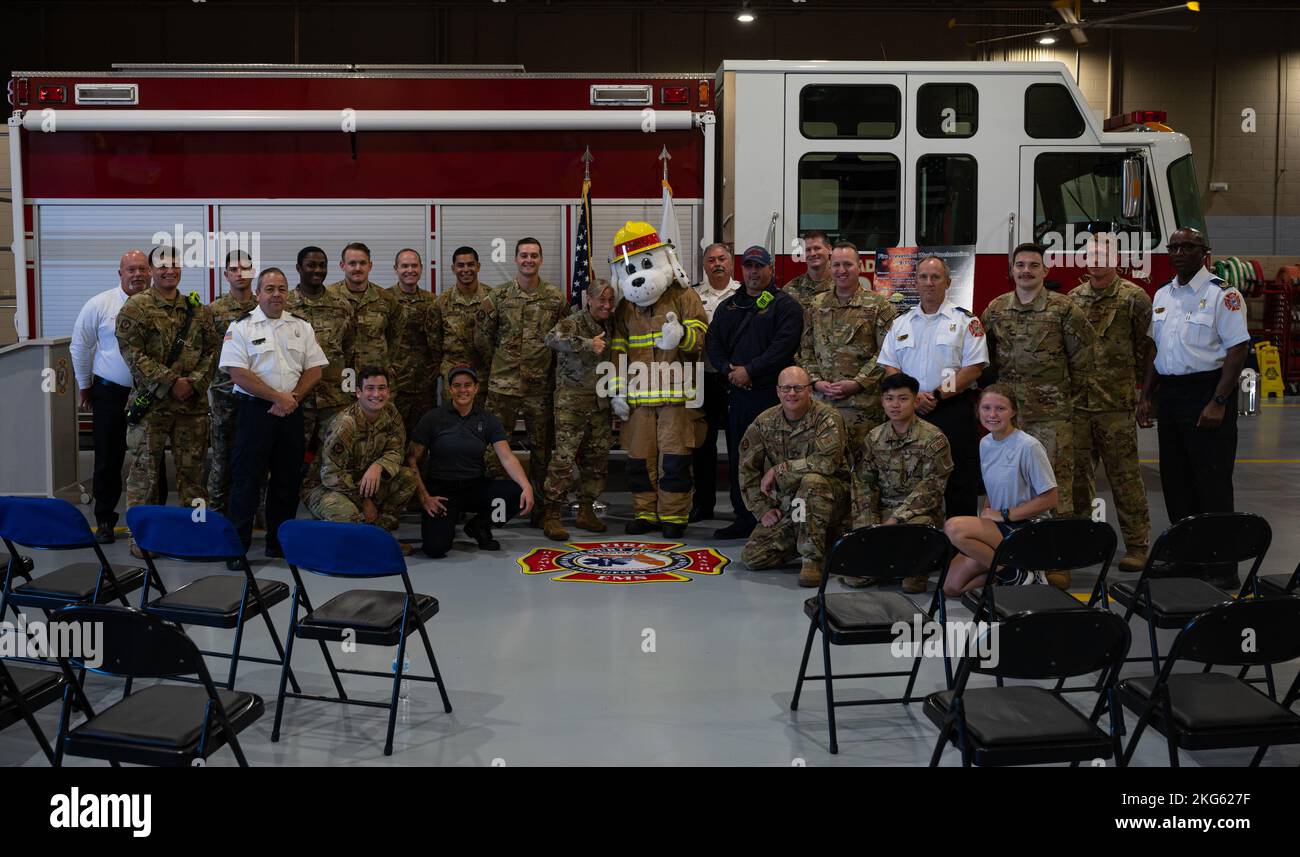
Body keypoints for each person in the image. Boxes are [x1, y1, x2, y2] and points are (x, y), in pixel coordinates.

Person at [1137, 227, 1250, 588]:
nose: (1180, 252)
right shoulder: (1162, 294)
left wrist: (1218, 401)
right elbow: (1156, 349)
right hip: (1171, 394)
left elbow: (1237, 350)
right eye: (1175, 247)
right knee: (1176, 480)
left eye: (1189, 246)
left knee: (1211, 483)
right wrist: (1147, 394)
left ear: (1205, 253)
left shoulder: (1223, 295)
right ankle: (1187, 557)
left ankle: (1221, 566)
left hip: (1207, 392)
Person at [980, 242, 1096, 589]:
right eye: (1020, 265)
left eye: (1033, 265)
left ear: (1045, 271)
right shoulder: (996, 309)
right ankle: (1016, 555)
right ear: (1011, 271)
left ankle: (1057, 562)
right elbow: (985, 357)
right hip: (1007, 418)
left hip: (1052, 416)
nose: (1026, 271)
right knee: (1009, 487)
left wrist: (1058, 397)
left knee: (1056, 489)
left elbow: (1084, 360)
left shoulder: (1065, 310)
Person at [607, 222, 709, 537]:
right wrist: (615, 392)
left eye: (645, 262)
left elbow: (702, 337)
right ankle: (645, 513)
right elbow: (618, 351)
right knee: (638, 460)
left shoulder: (683, 295)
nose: (638, 274)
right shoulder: (625, 307)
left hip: (676, 401)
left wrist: (681, 336)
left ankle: (674, 517)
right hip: (638, 402)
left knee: (675, 461)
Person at [116, 245, 219, 558]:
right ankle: (142, 536)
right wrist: (171, 381)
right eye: (161, 266)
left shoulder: (197, 309)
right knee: (144, 475)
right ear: (151, 270)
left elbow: (212, 352)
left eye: (174, 265)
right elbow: (132, 353)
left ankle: (195, 534)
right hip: (153, 407)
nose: (168, 271)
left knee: (193, 476)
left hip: (192, 407)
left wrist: (195, 384)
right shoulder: (136, 307)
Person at [219, 268, 327, 560]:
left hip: (291, 411)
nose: (276, 294)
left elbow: (314, 369)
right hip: (255, 413)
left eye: (281, 289)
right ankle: (236, 548)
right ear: (257, 294)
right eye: (269, 289)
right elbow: (237, 373)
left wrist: (290, 399)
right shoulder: (241, 327)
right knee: (246, 480)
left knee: (287, 481)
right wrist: (277, 397)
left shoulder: (301, 327)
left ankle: (278, 545)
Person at [1067, 236, 1153, 572]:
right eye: (1091, 255)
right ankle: (1084, 543)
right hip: (1079, 405)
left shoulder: (1134, 298)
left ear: (1117, 259)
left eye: (1104, 255)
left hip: (1115, 405)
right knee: (1077, 481)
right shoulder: (1073, 299)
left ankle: (1137, 546)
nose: (1096, 260)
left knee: (1125, 477)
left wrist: (1146, 395)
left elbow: (1148, 349)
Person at [705, 245, 804, 539]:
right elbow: (714, 344)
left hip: (772, 398)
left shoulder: (786, 306)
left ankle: (778, 520)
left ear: (770, 269)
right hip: (738, 395)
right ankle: (744, 517)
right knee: (741, 458)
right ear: (742, 269)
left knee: (774, 459)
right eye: (748, 266)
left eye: (759, 266)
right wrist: (728, 371)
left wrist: (750, 371)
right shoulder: (729, 307)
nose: (753, 272)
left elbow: (782, 348)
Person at [878, 255, 988, 519]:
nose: (929, 283)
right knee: (910, 479)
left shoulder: (966, 322)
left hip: (953, 410)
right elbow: (890, 366)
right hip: (909, 413)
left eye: (936, 277)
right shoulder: (900, 323)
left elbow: (972, 368)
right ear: (915, 282)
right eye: (923, 277)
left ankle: (962, 546)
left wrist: (937, 395)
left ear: (948, 282)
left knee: (958, 480)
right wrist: (912, 399)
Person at [474, 238, 570, 521]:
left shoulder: (555, 299)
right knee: (493, 450)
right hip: (502, 386)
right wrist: (501, 361)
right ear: (515, 259)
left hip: (538, 388)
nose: (529, 260)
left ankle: (541, 509)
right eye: (524, 255)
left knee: (541, 449)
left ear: (540, 260)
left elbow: (562, 339)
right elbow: (481, 337)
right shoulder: (499, 297)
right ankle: (496, 508)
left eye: (534, 256)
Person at [737, 366, 850, 588]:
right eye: (786, 388)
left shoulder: (828, 418)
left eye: (798, 387)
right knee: (753, 557)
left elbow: (827, 463)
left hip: (831, 497)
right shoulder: (764, 422)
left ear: (810, 390)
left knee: (812, 482)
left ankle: (811, 561)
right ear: (778, 391)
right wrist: (762, 509)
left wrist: (779, 470)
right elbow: (747, 469)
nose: (792, 393)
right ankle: (822, 541)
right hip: (793, 505)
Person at [942, 385, 1059, 596]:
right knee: (951, 586)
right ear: (978, 411)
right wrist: (987, 516)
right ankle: (1017, 573)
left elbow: (1051, 499)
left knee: (954, 527)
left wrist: (1005, 514)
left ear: (1013, 411)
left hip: (1028, 528)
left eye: (1000, 409)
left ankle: (1013, 573)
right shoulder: (985, 443)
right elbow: (993, 488)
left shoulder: (1028, 446)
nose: (992, 415)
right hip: (1000, 527)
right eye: (986, 408)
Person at [407, 366, 535, 558]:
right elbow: (411, 459)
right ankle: (446, 526)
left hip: (474, 486)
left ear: (476, 388)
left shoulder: (487, 419)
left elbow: (507, 457)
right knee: (435, 549)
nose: (462, 390)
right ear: (450, 389)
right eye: (457, 386)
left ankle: (479, 526)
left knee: (516, 493)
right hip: (443, 492)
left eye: (468, 385)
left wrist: (527, 486)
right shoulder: (433, 418)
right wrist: (425, 497)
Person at [69, 249, 151, 543]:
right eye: (131, 269)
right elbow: (79, 346)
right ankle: (105, 520)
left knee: (151, 459)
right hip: (110, 392)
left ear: (151, 272)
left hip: (151, 394)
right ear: (120, 274)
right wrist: (84, 384)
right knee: (107, 458)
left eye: (142, 268)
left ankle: (153, 522)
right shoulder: (100, 304)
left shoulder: (162, 307)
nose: (137, 274)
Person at [846, 372, 953, 592]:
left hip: (917, 514)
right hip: (882, 512)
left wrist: (896, 519)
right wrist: (869, 526)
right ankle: (885, 560)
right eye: (889, 398)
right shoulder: (874, 438)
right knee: (855, 579)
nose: (895, 405)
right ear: (882, 402)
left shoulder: (934, 438)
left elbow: (932, 489)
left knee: (911, 584)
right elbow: (863, 484)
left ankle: (911, 567)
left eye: (903, 399)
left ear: (915, 401)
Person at [306, 367, 419, 553]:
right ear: (358, 392)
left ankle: (378, 537)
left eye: (382, 388)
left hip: (363, 481)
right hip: (325, 487)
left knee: (408, 477)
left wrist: (378, 465)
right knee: (350, 516)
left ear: (388, 392)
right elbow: (331, 476)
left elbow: (396, 450)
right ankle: (336, 538)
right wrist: (364, 501)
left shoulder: (390, 413)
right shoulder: (345, 424)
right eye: (370, 388)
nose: (377, 394)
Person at [799, 240, 897, 447]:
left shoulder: (879, 306)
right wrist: (815, 381)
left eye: (848, 264)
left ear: (859, 267)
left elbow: (888, 353)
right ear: (829, 266)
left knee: (864, 469)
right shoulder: (816, 305)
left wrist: (858, 383)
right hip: (822, 404)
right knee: (825, 464)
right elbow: (805, 349)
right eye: (836, 265)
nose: (841, 270)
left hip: (863, 407)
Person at [540, 281, 616, 541]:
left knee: (596, 461)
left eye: (610, 301)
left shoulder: (613, 324)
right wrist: (586, 344)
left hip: (601, 403)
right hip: (571, 404)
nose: (606, 306)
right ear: (589, 300)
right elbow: (551, 338)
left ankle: (586, 509)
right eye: (601, 301)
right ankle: (551, 514)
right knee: (563, 460)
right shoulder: (573, 322)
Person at [287, 245, 357, 499]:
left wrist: (349, 392)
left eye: (322, 266)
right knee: (291, 453)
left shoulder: (341, 305)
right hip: (296, 397)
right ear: (298, 269)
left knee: (334, 454)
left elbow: (349, 349)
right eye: (311, 265)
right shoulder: (285, 305)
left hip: (334, 398)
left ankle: (331, 503)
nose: (317, 270)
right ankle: (283, 506)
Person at [205, 249, 259, 516]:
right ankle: (216, 512)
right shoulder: (213, 311)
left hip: (257, 395)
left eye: (245, 269)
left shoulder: (265, 307)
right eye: (234, 270)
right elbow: (203, 352)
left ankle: (254, 510)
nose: (240, 274)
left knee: (257, 456)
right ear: (226, 274)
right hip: (225, 396)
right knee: (222, 458)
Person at [690, 243, 740, 522]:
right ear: (704, 265)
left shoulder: (744, 294)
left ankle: (740, 506)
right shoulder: (694, 295)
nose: (717, 263)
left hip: (735, 379)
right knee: (702, 445)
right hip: (703, 377)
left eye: (722, 259)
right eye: (711, 260)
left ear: (731, 263)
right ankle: (702, 504)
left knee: (738, 445)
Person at [386, 248, 442, 438]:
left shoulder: (432, 301)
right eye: (404, 266)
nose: (410, 270)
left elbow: (440, 337)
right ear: (396, 269)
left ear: (421, 268)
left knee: (423, 437)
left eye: (414, 265)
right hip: (394, 385)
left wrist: (438, 364)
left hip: (424, 385)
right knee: (393, 435)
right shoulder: (384, 300)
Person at [327, 242, 398, 376]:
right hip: (339, 375)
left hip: (374, 375)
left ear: (370, 266)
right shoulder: (328, 297)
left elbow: (395, 336)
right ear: (342, 266)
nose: (358, 268)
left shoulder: (386, 299)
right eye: (352, 263)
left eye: (363, 263)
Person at [434, 246, 493, 406]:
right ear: (453, 269)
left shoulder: (492, 299)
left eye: (470, 264)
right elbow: (434, 342)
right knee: (452, 425)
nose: (466, 269)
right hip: (452, 378)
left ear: (478, 266)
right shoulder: (442, 302)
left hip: (484, 377)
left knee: (481, 424)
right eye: (460, 265)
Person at [780, 230, 834, 309]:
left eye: (817, 248)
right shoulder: (789, 290)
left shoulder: (843, 286)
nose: (812, 254)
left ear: (829, 249)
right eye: (808, 250)